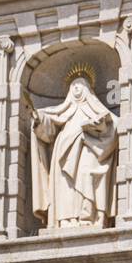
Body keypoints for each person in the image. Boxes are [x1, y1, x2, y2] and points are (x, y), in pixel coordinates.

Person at [30, 65, 118, 230]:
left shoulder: (96, 110)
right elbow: (48, 130)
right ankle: (65, 220)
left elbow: (114, 126)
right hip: (62, 156)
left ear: (87, 90)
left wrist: (98, 126)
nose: (77, 87)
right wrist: (38, 120)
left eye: (81, 84)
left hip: (88, 151)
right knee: (65, 187)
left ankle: (89, 217)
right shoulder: (64, 112)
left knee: (86, 176)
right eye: (74, 85)